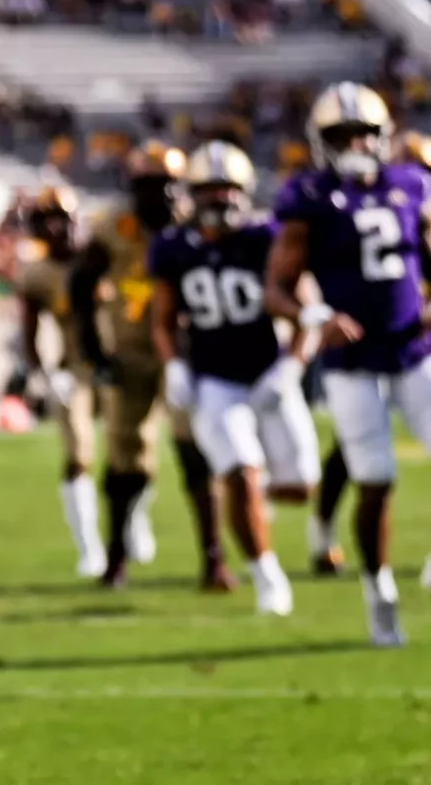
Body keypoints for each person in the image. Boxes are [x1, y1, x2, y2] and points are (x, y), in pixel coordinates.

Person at [264, 83, 431, 647]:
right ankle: (379, 591)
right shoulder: (308, 196)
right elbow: (276, 288)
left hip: (413, 348)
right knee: (376, 478)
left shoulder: (412, 184)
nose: (356, 143)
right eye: (342, 135)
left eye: (364, 133)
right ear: (321, 142)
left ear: (383, 137)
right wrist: (314, 316)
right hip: (351, 358)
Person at [148, 142, 316, 617]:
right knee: (239, 476)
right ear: (192, 195)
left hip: (266, 371)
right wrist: (174, 365)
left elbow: (303, 305)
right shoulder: (174, 246)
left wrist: (293, 365)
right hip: (214, 380)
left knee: (299, 487)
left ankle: (260, 497)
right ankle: (268, 577)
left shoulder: (266, 238)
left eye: (228, 189)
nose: (220, 200)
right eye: (210, 190)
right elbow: (163, 319)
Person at [71, 140, 231, 591]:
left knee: (194, 451)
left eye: (167, 185)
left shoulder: (196, 225)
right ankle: (116, 558)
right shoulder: (114, 227)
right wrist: (94, 351)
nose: (159, 195)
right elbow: (81, 285)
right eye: (149, 185)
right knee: (125, 460)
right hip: (132, 352)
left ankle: (213, 559)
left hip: (186, 351)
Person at [16, 185, 105, 578]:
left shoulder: (102, 257)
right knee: (79, 453)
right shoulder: (38, 274)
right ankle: (90, 547)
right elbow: (29, 333)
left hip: (123, 362)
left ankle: (132, 521)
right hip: (76, 368)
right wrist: (45, 374)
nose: (57, 228)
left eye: (62, 219)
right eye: (48, 221)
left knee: (136, 455)